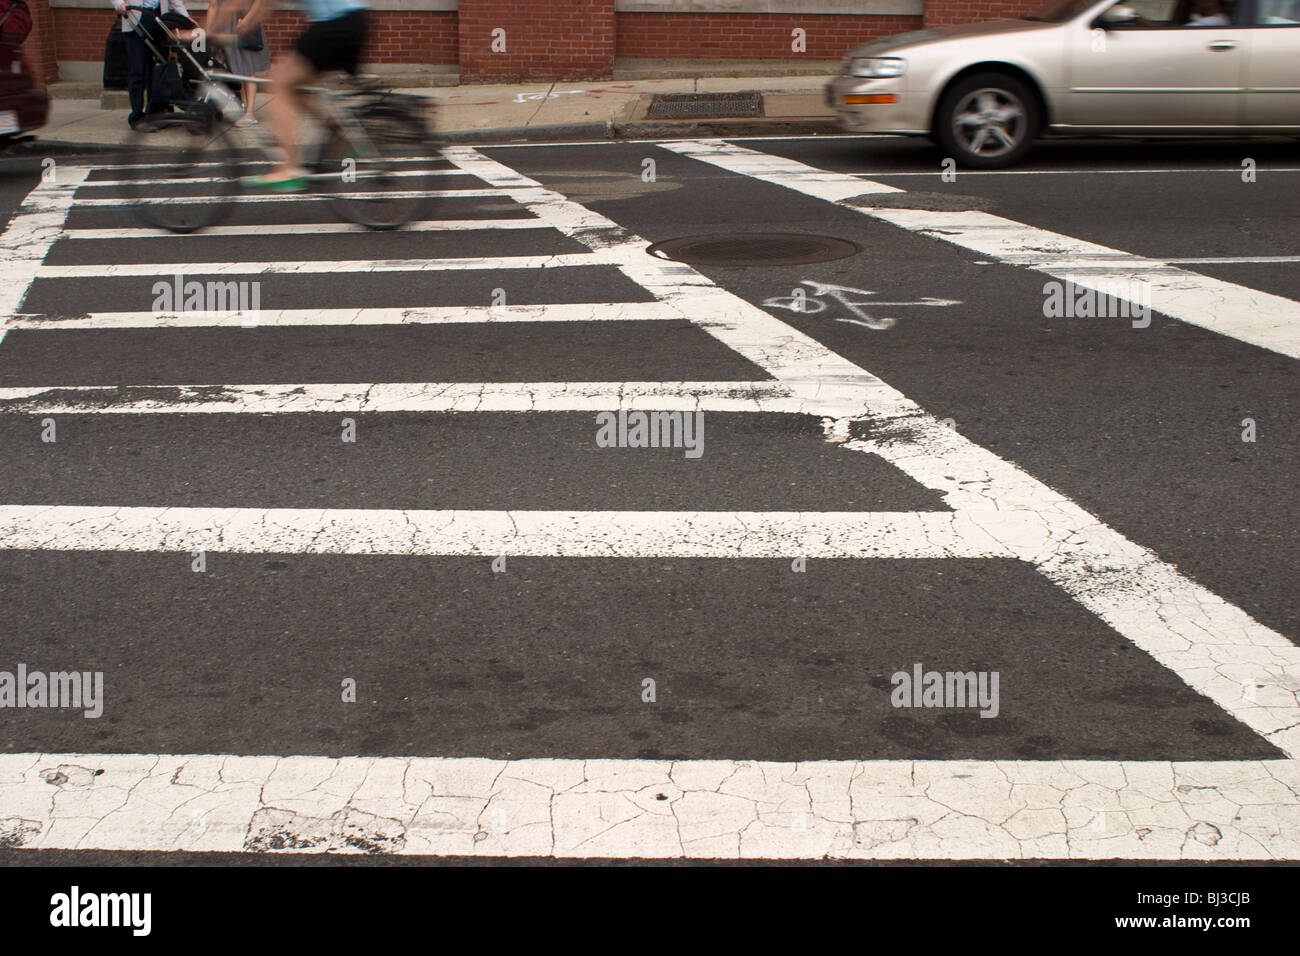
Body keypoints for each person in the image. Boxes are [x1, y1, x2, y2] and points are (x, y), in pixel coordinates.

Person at [220, 0, 370, 189]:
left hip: (336, 23)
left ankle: (288, 169)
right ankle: (342, 135)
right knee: (297, 90)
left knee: (279, 83)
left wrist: (205, 32)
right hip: (351, 20)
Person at [110, 0, 193, 129]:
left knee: (160, 68)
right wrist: (119, 4)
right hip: (136, 15)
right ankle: (136, 116)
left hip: (159, 18)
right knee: (139, 69)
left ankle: (157, 112)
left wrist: (187, 18)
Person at [207, 0, 270, 127]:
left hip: (243, 22)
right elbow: (213, 5)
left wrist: (247, 20)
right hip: (226, 26)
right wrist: (208, 31)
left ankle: (250, 113)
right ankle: (244, 107)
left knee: (248, 69)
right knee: (236, 68)